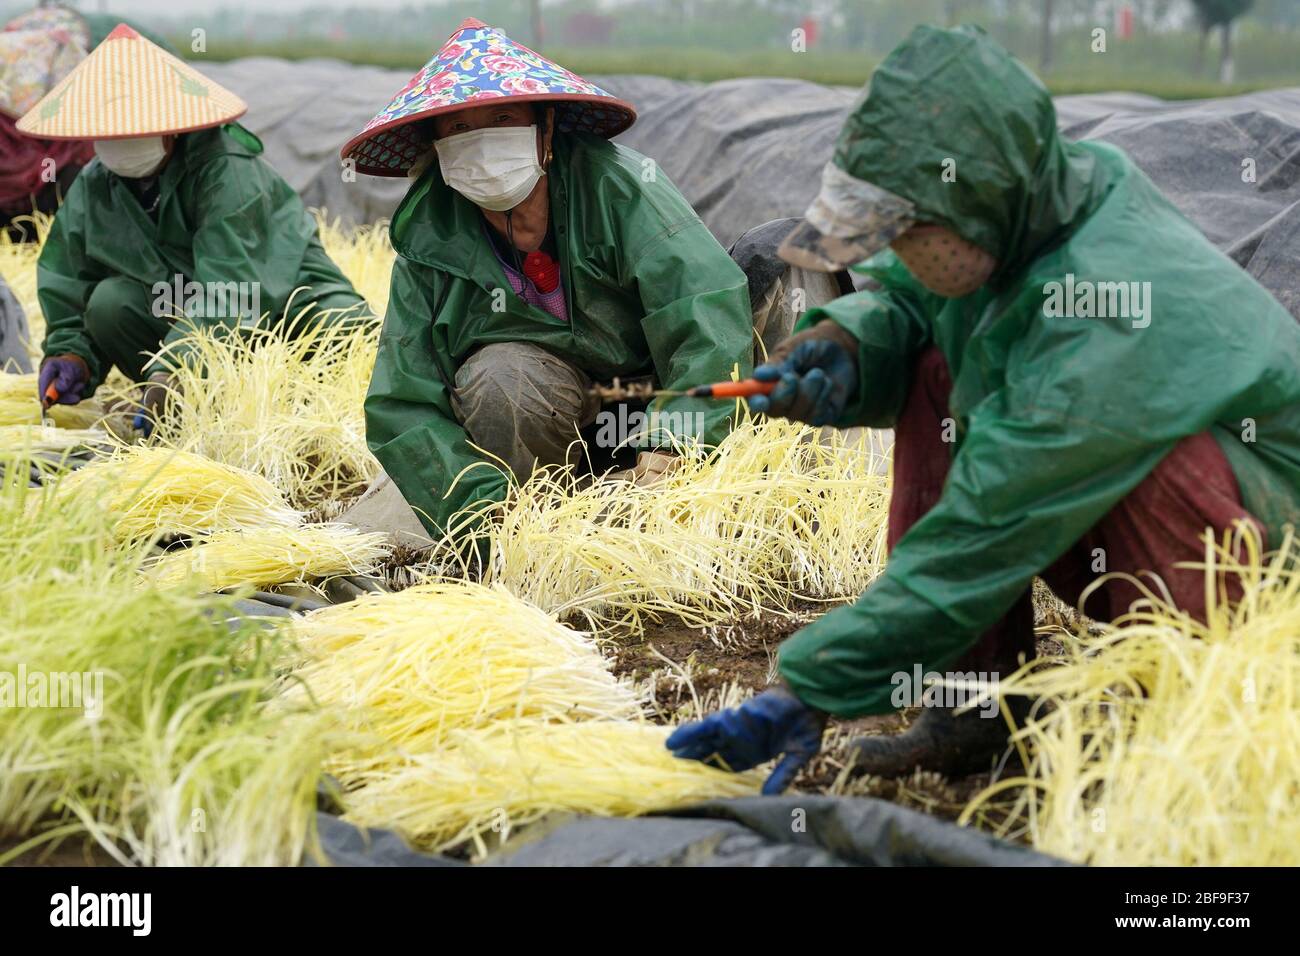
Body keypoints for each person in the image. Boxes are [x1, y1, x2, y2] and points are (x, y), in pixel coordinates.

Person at [668, 24, 1300, 794]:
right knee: (936, 369)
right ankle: (976, 711)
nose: (897, 252)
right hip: (1093, 506)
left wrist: (808, 686)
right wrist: (847, 344)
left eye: (909, 230)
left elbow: (981, 533)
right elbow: (920, 305)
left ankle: (1213, 725)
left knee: (1159, 465)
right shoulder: (1032, 209)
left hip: (1270, 552)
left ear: (979, 194)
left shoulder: (1104, 310)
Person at [347, 18, 833, 541]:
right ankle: (543, 525)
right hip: (554, 418)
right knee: (500, 379)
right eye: (460, 128)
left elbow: (702, 310)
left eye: (503, 118)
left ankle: (790, 508)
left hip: (659, 395)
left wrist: (675, 441)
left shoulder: (618, 187)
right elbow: (403, 401)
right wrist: (480, 517)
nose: (482, 143)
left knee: (783, 264)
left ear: (545, 130)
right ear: (437, 148)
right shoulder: (428, 240)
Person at [18, 24, 369, 427]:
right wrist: (71, 354)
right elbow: (69, 279)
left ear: (171, 121)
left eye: (133, 125)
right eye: (108, 129)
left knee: (344, 333)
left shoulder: (225, 171)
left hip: (280, 302)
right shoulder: (97, 184)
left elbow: (233, 288)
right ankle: (194, 406)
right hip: (189, 309)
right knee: (110, 304)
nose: (120, 139)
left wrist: (181, 365)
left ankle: (277, 407)